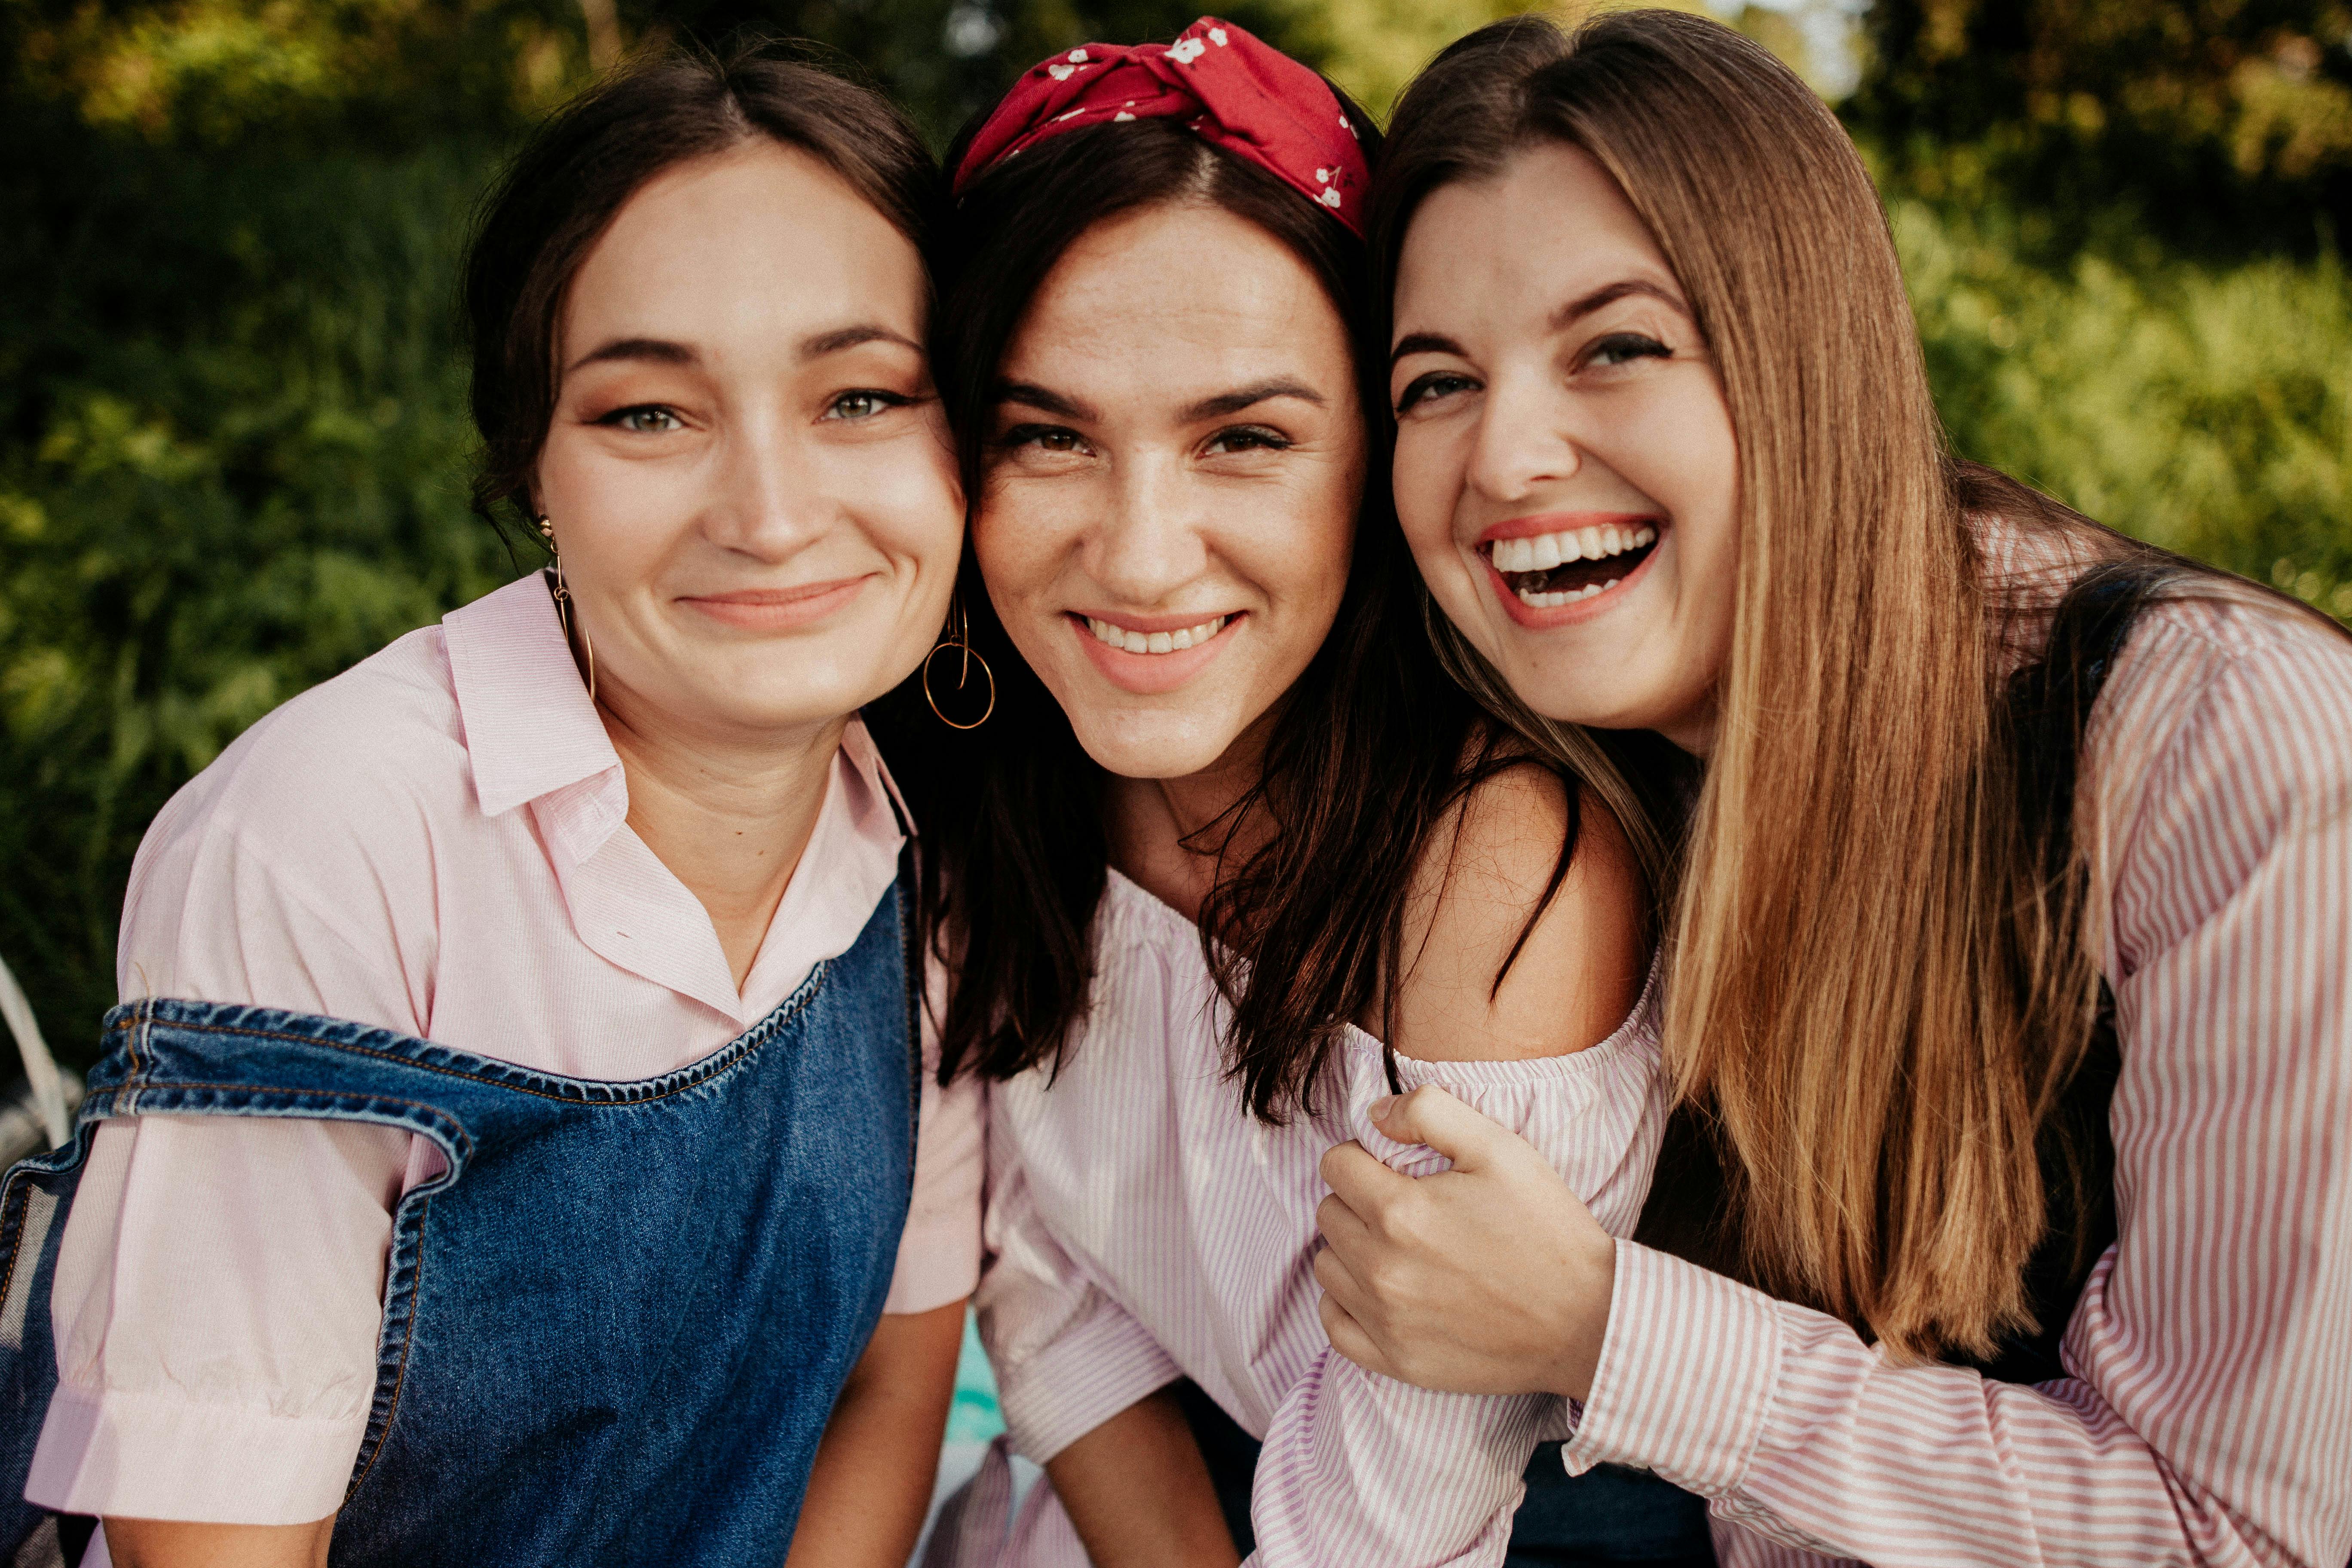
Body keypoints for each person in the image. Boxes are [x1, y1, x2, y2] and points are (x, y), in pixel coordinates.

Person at [1313, 12, 2352, 1567]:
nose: (1507, 456)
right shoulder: (1521, 782)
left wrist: (1600, 1325)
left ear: (1806, 358)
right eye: (1435, 383)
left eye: (1618, 345)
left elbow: (2241, 1533)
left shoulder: (2227, 746)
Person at [0, 42, 982, 1568]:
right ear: (535, 461)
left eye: (861, 395)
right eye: (649, 414)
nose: (773, 513)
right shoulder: (331, 841)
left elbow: (888, 1393)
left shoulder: (937, 837)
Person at [887, 18, 1708, 1567]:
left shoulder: (1496, 866)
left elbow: (1393, 1526)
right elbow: (1051, 1290)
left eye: (1244, 438)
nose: (1138, 554)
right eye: (1048, 435)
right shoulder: (988, 784)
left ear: (1378, 453)